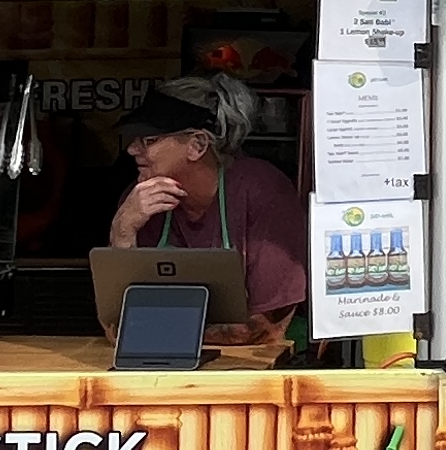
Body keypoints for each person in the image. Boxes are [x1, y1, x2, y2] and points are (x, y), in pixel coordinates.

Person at [105, 76, 309, 338]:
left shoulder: (263, 191)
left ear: (197, 145)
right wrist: (122, 231)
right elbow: (115, 324)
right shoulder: (139, 202)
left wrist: (152, 332)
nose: (132, 149)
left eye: (149, 140)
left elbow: (264, 327)